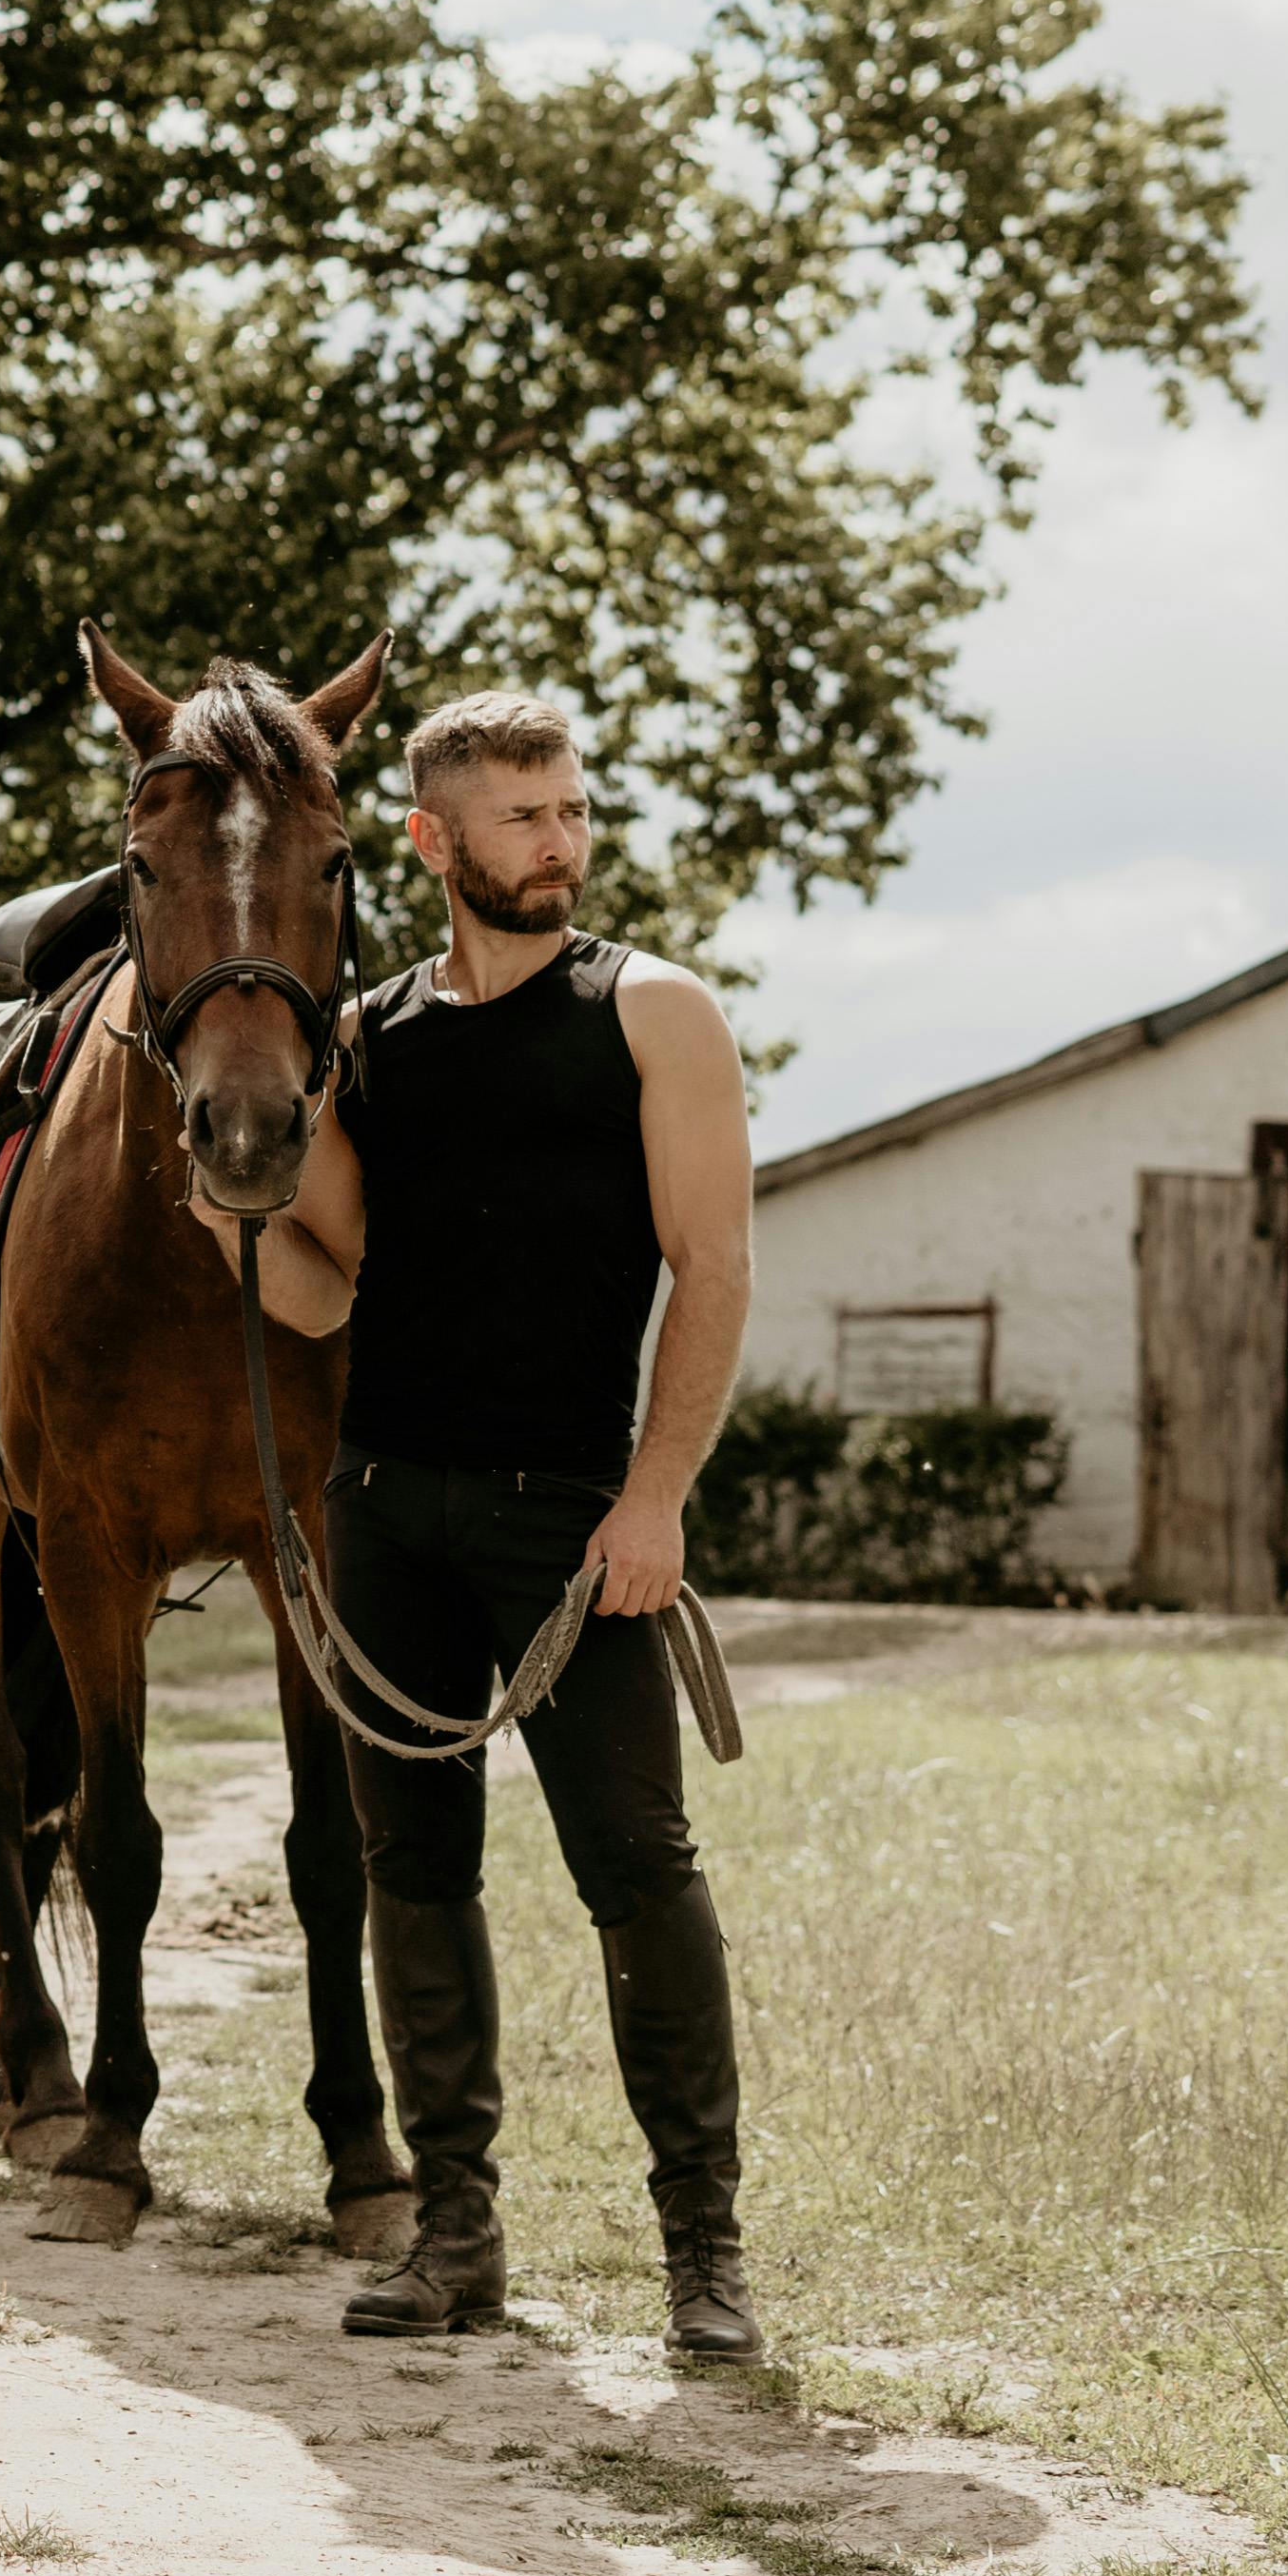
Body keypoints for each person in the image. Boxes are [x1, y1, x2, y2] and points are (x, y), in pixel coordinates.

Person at [224, 686, 767, 2364]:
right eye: (524, 817)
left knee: (640, 1872)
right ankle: (455, 2236)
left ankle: (703, 2255)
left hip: (576, 1524)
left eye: (572, 811)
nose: (560, 843)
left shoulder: (649, 1012)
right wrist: (230, 1201)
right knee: (413, 1873)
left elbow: (715, 1268)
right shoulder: (369, 1037)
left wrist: (656, 1497)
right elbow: (330, 1288)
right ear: (431, 839)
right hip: (385, 1508)